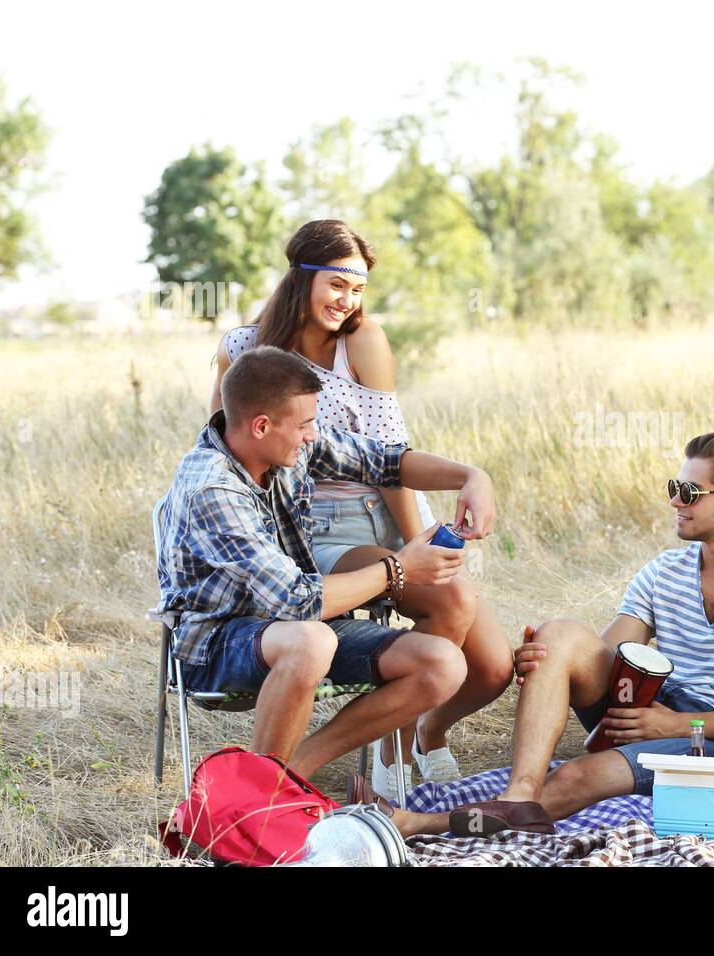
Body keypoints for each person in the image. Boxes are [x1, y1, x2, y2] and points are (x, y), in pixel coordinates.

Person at [362, 433, 714, 837]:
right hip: (656, 709)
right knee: (560, 635)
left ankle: (421, 824)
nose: (675, 501)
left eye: (689, 492)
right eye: (674, 488)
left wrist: (678, 726)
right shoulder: (665, 571)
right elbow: (605, 653)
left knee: (575, 777)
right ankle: (519, 794)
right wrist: (546, 657)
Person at [212, 220, 512, 792]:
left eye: (357, 290)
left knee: (495, 666)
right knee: (450, 598)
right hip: (315, 528)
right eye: (336, 285)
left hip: (396, 511)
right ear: (302, 278)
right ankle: (381, 755)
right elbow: (228, 453)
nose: (347, 302)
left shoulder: (362, 342)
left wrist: (417, 539)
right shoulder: (243, 350)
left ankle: (423, 729)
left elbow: (388, 459)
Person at [155, 345, 496, 782]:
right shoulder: (213, 488)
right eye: (305, 425)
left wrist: (472, 477)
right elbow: (298, 602)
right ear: (261, 425)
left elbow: (386, 462)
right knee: (310, 640)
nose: (313, 434)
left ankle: (289, 777)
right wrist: (399, 568)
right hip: (220, 642)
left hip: (303, 628)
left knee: (442, 663)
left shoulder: (283, 446)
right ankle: (256, 803)